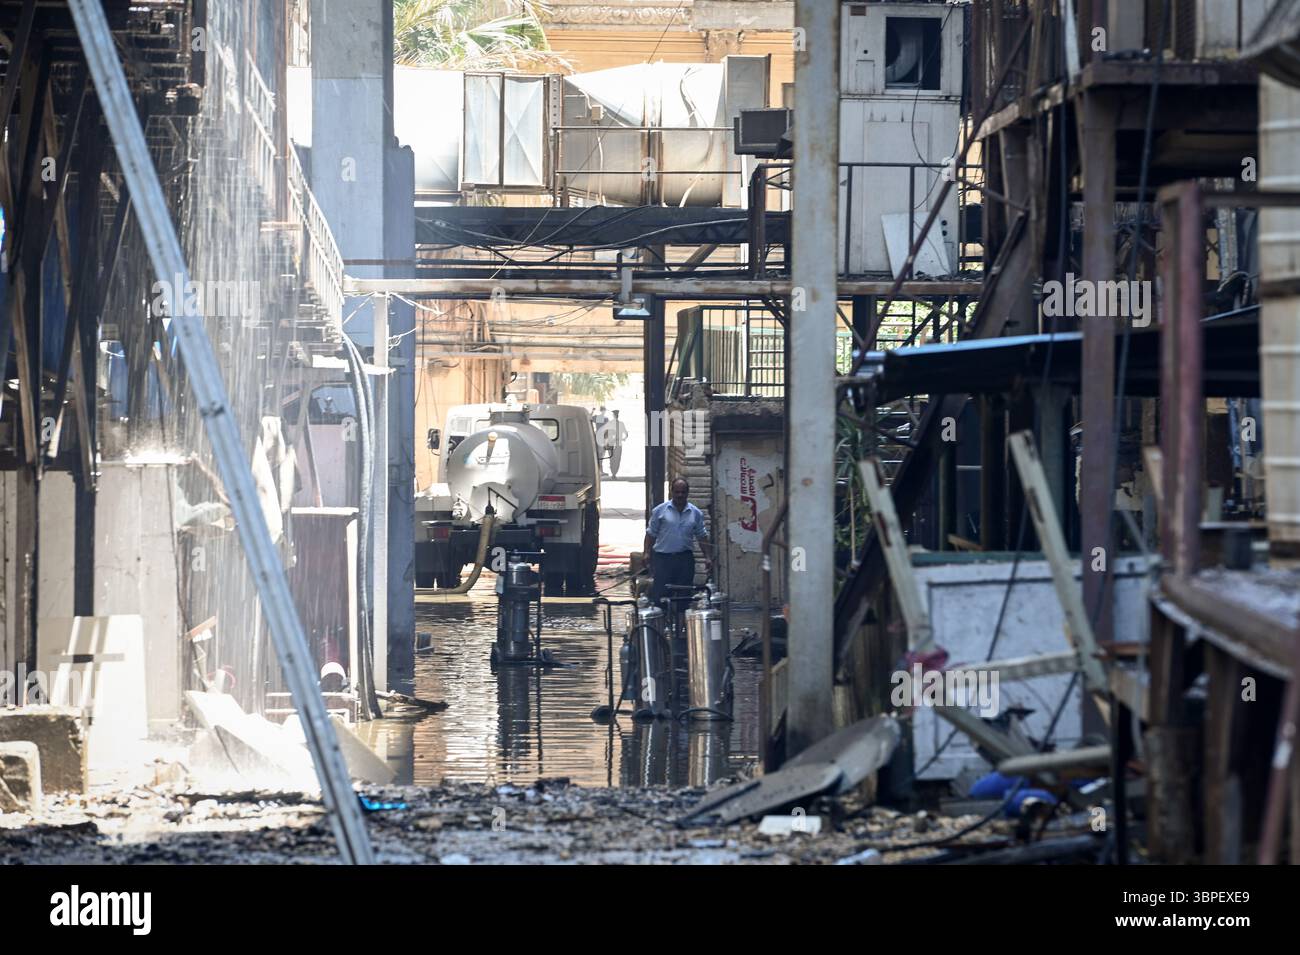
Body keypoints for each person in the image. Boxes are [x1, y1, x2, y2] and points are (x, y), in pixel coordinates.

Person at [642, 477, 712, 607]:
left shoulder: (695, 513)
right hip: (663, 559)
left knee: (684, 597)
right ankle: (662, 625)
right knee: (661, 596)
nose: (680, 495)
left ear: (687, 493)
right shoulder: (659, 511)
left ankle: (681, 624)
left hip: (685, 559)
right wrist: (646, 553)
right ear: (672, 492)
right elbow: (651, 533)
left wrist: (707, 557)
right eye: (677, 492)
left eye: (683, 492)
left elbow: (702, 536)